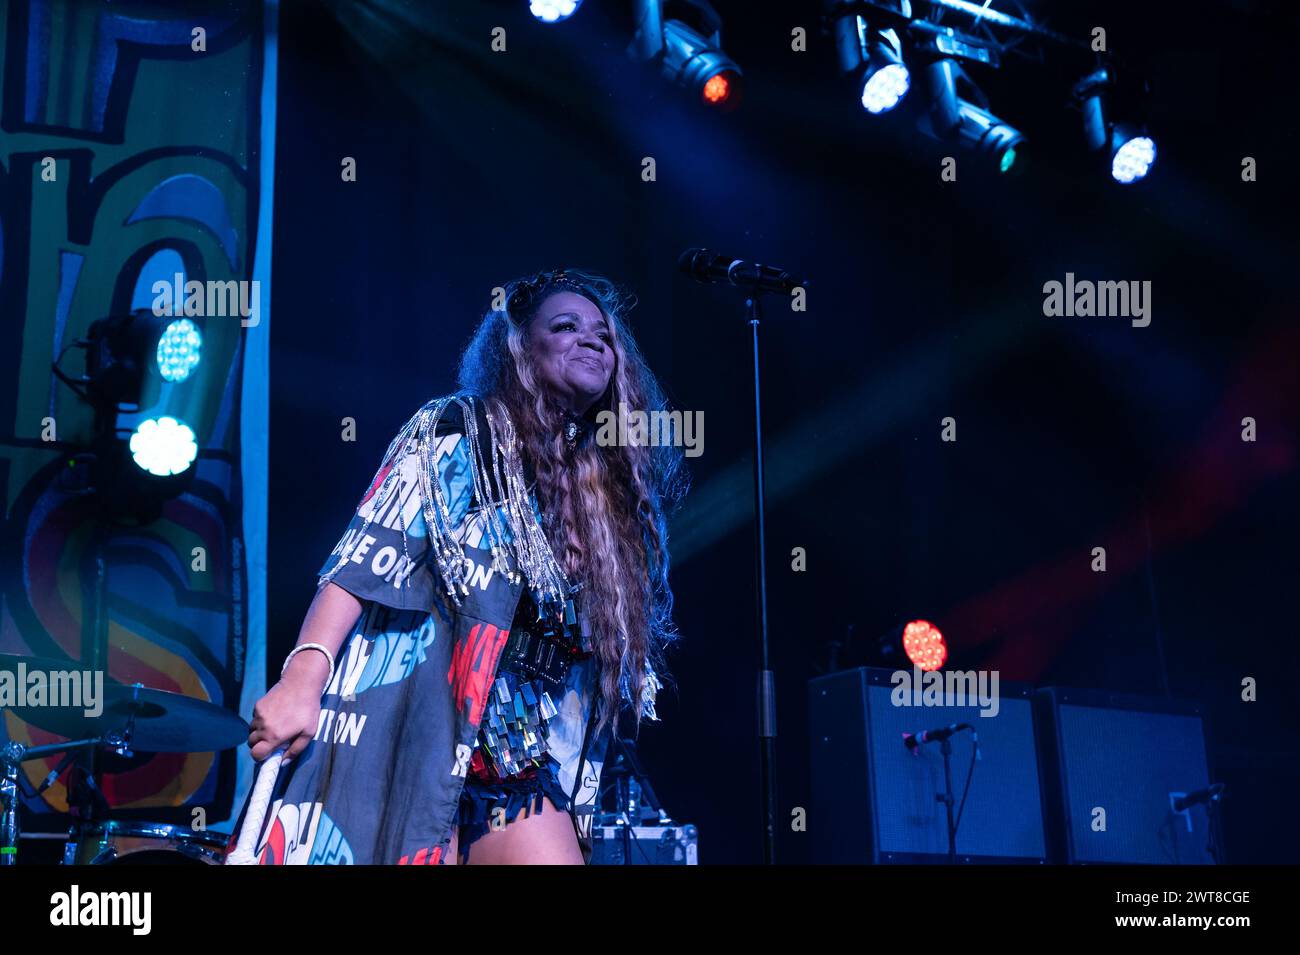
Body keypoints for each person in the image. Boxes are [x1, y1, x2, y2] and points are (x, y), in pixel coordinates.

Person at [239, 268, 687, 864]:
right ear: (519, 347)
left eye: (604, 336)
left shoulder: (603, 495)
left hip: (514, 762)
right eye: (565, 326)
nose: (592, 341)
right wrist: (302, 678)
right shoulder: (463, 434)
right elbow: (365, 557)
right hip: (417, 733)